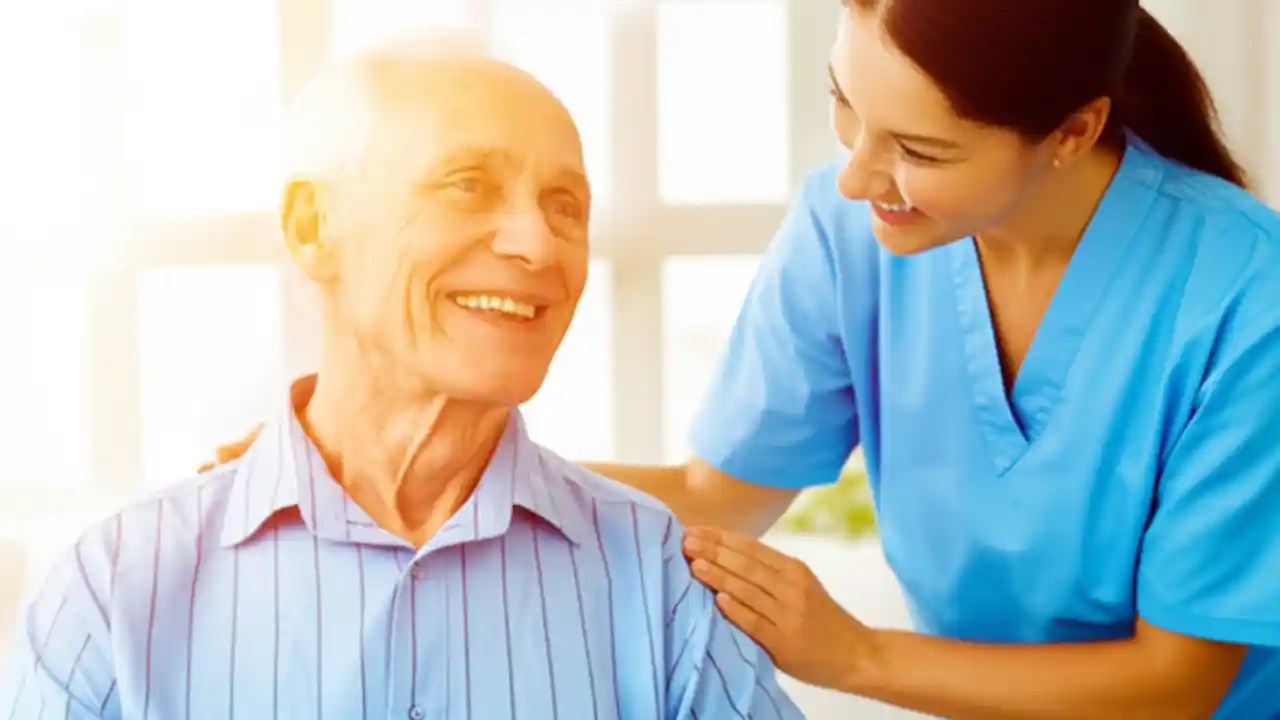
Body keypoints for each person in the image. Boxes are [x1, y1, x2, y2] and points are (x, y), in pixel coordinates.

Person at [203, 1, 1280, 717]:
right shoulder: (847, 228)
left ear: (1070, 129)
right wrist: (368, 459)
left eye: (918, 151)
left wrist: (851, 655)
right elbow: (718, 494)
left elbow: (1177, 677)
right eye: (844, 111)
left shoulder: (1241, 293)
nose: (857, 177)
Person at [0, 35, 801, 720]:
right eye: (467, 185)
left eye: (565, 204)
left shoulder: (658, 574)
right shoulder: (116, 587)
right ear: (314, 229)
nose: (537, 244)